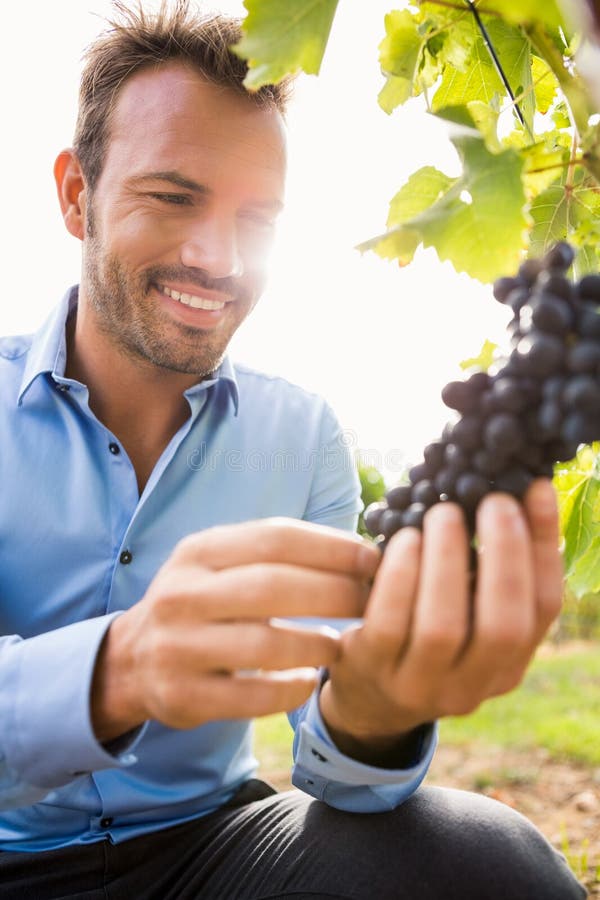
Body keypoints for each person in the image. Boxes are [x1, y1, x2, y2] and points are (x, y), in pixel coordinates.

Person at [0, 2, 586, 898]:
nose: (219, 258)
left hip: (208, 849)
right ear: (77, 196)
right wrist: (119, 666)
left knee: (493, 864)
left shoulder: (303, 434)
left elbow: (334, 765)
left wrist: (373, 717)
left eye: (258, 219)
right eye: (172, 196)